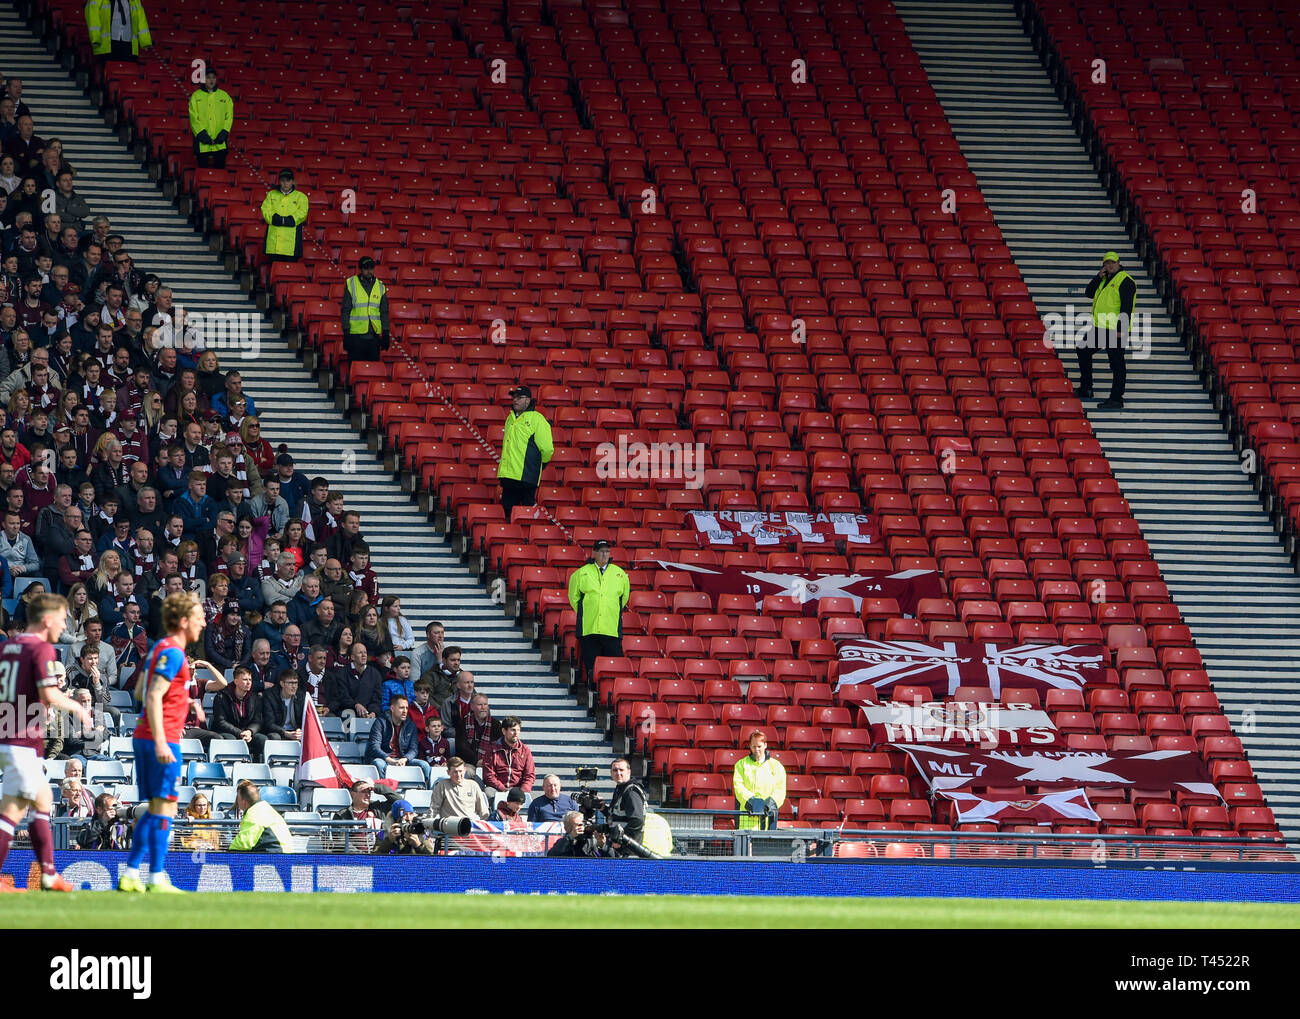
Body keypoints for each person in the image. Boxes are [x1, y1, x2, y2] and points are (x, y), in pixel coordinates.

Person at [118, 591, 211, 893]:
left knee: (159, 807)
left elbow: (139, 691)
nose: (204, 623)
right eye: (199, 617)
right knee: (166, 808)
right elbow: (153, 694)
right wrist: (161, 741)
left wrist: (186, 702)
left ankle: (132, 874)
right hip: (162, 739)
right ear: (184, 621)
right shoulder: (173, 652)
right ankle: (156, 878)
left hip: (148, 736)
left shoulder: (160, 648)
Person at [0, 591, 92, 891]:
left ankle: (50, 875)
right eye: (62, 619)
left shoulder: (10, 646)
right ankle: (49, 875)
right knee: (12, 811)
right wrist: (78, 707)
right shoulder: (41, 649)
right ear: (47, 619)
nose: (64, 625)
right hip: (21, 739)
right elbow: (49, 693)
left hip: (10, 734)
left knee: (42, 800)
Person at [1077, 251, 1137, 410]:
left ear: (1119, 263)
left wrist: (1121, 330)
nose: (1110, 265)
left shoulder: (1125, 281)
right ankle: (1086, 388)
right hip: (1100, 328)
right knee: (1083, 349)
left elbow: (1126, 308)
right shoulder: (1104, 279)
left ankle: (1116, 398)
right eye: (1106, 263)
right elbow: (1089, 293)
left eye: (1112, 262)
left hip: (1115, 330)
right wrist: (1098, 277)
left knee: (1117, 364)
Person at [568, 539, 630, 684]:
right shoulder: (581, 573)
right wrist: (588, 612)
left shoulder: (619, 574)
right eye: (601, 551)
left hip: (611, 629)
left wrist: (609, 610)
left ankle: (610, 693)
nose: (604, 554)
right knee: (591, 668)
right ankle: (593, 694)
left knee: (614, 667)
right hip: (589, 628)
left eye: (607, 551)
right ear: (594, 553)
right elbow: (573, 597)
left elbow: (624, 598)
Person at [497, 384, 553, 517]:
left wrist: (541, 464)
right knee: (508, 514)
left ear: (528, 400)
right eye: (514, 397)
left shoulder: (537, 419)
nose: (515, 400)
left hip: (526, 477)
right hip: (509, 476)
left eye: (519, 397)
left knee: (525, 516)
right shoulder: (510, 418)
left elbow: (547, 448)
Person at [366, 693, 430, 784]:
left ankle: (424, 791)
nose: (405, 711)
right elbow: (374, 747)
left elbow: (414, 749)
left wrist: (405, 759)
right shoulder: (380, 722)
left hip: (402, 759)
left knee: (425, 765)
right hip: (385, 759)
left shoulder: (410, 725)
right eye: (401, 708)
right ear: (392, 708)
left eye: (407, 708)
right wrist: (389, 759)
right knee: (378, 764)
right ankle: (385, 789)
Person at [732, 729, 786, 831]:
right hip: (746, 819)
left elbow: (780, 790)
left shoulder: (776, 766)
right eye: (754, 746)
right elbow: (739, 787)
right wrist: (752, 803)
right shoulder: (741, 764)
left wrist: (768, 805)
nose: (756, 749)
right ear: (750, 746)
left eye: (759, 746)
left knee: (765, 846)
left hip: (768, 819)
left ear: (765, 745)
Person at [212, 665, 265, 761]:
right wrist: (239, 733)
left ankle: (257, 767)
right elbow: (220, 721)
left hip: (246, 732)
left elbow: (258, 720)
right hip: (228, 732)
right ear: (236, 681)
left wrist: (250, 731)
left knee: (262, 739)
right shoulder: (222, 696)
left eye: (250, 679)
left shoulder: (255, 697)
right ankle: (233, 766)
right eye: (245, 680)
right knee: (231, 739)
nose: (248, 682)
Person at [341, 256, 389, 362]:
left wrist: (386, 332)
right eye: (366, 268)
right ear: (360, 269)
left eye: (371, 268)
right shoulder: (351, 284)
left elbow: (384, 312)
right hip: (355, 336)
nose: (369, 271)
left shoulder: (380, 286)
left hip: (374, 337)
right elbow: (345, 310)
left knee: (372, 371)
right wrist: (346, 332)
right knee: (355, 369)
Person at [228, 780, 293, 852]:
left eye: (238, 798)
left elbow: (243, 844)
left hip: (276, 856)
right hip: (286, 854)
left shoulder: (254, 814)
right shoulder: (265, 808)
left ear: (243, 800)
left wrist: (227, 854)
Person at [479, 715, 536, 799]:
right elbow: (488, 775)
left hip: (518, 789)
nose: (516, 733)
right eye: (513, 730)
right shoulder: (492, 749)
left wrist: (523, 790)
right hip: (496, 788)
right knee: (488, 794)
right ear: (504, 731)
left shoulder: (525, 750)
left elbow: (530, 775)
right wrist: (503, 789)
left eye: (518, 730)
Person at [188, 66, 233, 169]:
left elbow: (229, 117)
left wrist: (224, 133)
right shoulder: (196, 96)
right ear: (204, 79)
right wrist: (203, 136)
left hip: (220, 142)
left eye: (213, 77)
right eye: (208, 77)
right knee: (203, 173)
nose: (211, 80)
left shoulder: (224, 96)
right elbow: (193, 118)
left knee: (220, 174)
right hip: (202, 143)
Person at [261, 169, 308, 262]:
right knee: (274, 271)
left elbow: (302, 213)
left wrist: (288, 220)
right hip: (273, 243)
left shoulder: (301, 196)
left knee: (289, 272)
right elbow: (265, 210)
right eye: (283, 180)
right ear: (279, 181)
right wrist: (277, 219)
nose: (285, 183)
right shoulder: (271, 195)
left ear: (292, 181)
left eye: (288, 180)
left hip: (291, 244)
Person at [85, 0, 152, 60]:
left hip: (128, 43)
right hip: (108, 44)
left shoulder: (135, 1)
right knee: (110, 69)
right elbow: (92, 17)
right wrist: (95, 38)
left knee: (126, 70)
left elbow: (141, 20)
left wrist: (145, 42)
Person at [428, 757, 488, 822]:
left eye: (460, 771)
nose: (458, 775)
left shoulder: (473, 785)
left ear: (465, 770)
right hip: (449, 826)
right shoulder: (442, 785)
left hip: (470, 825)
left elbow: (483, 811)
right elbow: (433, 809)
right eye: (455, 772)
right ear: (448, 772)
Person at [331, 777, 384, 853]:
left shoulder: (377, 810)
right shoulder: (342, 815)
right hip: (351, 859)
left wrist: (375, 787)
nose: (368, 795)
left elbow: (398, 801)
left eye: (369, 792)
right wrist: (361, 855)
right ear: (353, 794)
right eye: (364, 791)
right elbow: (340, 840)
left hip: (376, 856)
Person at [606, 757, 646, 846]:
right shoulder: (620, 788)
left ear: (629, 772)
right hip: (622, 844)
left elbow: (637, 821)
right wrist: (602, 808)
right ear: (611, 773)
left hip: (629, 846)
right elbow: (618, 816)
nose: (618, 773)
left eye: (621, 770)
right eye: (615, 770)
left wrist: (621, 839)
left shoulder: (631, 791)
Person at [262, 668, 305, 742]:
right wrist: (285, 733)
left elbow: (304, 719)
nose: (294, 686)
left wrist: (299, 730)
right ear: (282, 683)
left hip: (294, 732)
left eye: (296, 683)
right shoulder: (270, 696)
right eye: (291, 683)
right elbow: (269, 723)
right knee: (274, 737)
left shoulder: (301, 696)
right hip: (278, 732)